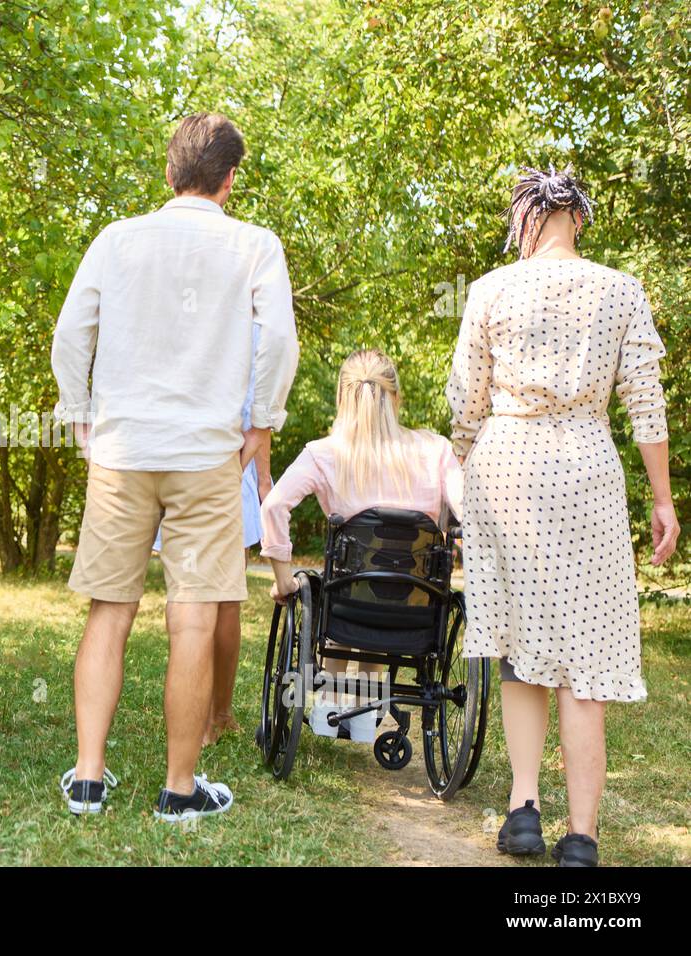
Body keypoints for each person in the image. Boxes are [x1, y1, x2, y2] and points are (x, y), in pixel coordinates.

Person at [51, 113, 299, 821]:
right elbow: (277, 341)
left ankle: (90, 781)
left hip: (123, 452)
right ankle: (178, 791)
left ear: (168, 172)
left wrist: (81, 417)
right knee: (193, 620)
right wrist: (262, 422)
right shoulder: (254, 245)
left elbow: (72, 334)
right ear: (229, 180)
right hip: (207, 456)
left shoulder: (117, 239)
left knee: (110, 611)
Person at [447, 166, 679, 867]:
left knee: (520, 648)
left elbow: (466, 402)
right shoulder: (620, 290)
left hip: (506, 466)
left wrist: (465, 465)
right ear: (577, 217)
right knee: (587, 653)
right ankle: (581, 838)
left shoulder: (490, 290)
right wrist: (663, 498)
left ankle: (523, 810)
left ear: (526, 222)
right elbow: (646, 404)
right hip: (585, 466)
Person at [261, 349, 463, 741]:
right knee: (378, 584)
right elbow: (470, 513)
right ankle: (365, 718)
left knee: (342, 584)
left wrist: (284, 580)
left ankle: (331, 713)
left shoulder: (324, 454)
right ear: (397, 396)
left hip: (347, 608)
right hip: (415, 613)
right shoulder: (435, 450)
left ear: (342, 397)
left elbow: (273, 506)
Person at [152, 322, 267, 748]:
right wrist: (243, 473)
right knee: (221, 600)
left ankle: (205, 714)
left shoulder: (165, 307)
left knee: (187, 593)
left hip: (173, 463)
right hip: (223, 465)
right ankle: (212, 715)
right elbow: (262, 413)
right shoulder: (250, 323)